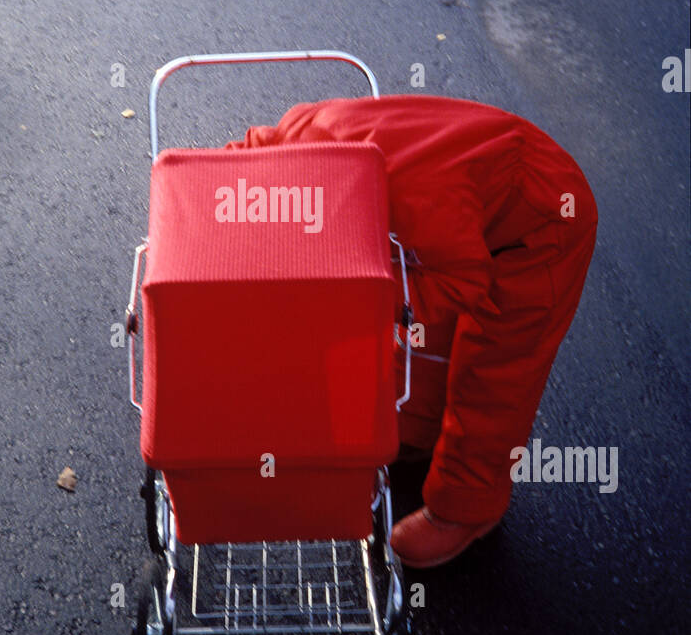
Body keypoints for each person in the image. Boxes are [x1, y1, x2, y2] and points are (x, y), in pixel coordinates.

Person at [227, 94, 598, 567]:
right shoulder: (295, 138)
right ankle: (421, 435)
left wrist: (356, 308)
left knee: (494, 374)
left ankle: (466, 508)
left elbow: (460, 281)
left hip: (544, 228)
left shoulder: (415, 202)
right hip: (470, 193)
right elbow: (247, 159)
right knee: (423, 343)